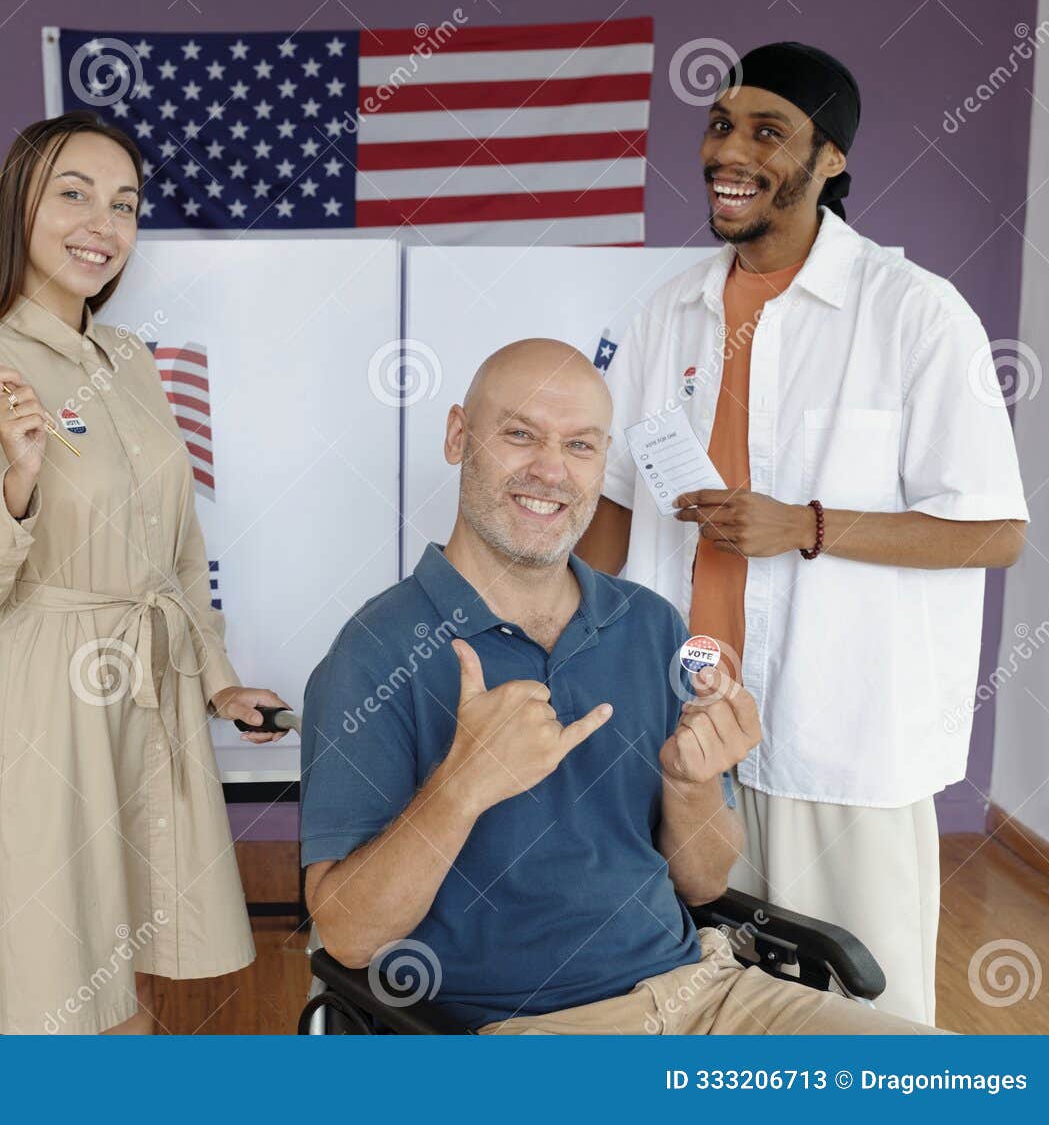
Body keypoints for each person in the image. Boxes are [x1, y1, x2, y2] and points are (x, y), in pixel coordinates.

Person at [575, 43, 1029, 1025]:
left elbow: (992, 530)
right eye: (720, 124)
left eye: (766, 132)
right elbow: (612, 507)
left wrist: (808, 525)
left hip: (839, 734)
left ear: (830, 162)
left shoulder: (913, 314)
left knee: (867, 1014)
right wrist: (536, 602)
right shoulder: (667, 312)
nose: (727, 152)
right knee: (700, 998)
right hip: (684, 726)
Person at [301, 339, 940, 1034]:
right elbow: (350, 936)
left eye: (580, 446)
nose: (550, 470)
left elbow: (702, 883)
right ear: (459, 436)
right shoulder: (374, 651)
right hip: (526, 1030)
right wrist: (464, 785)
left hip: (709, 993)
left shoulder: (652, 626)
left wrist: (692, 783)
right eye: (520, 435)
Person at [0, 111, 287, 1035]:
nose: (104, 223)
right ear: (19, 209)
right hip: (43, 704)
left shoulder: (127, 360)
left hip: (146, 690)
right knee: (51, 974)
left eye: (123, 204)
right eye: (74, 194)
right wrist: (19, 479)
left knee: (124, 955)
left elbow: (179, 546)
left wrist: (218, 678)